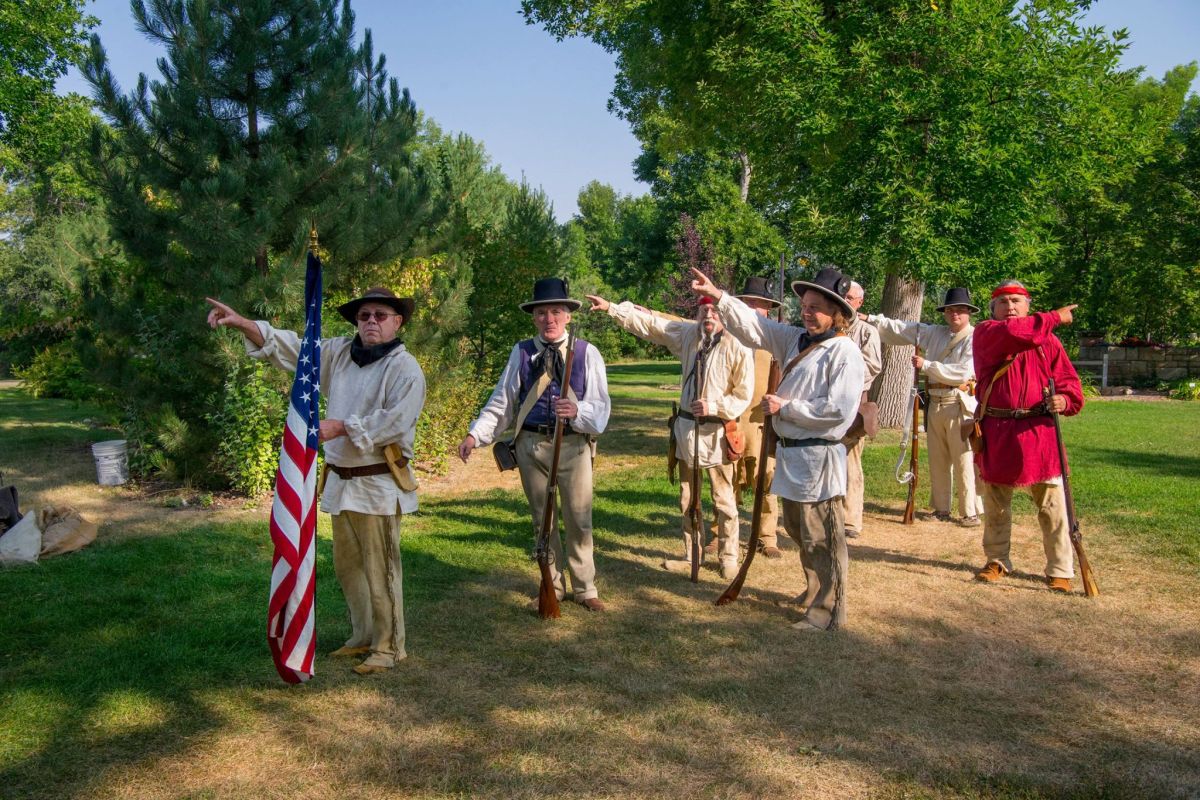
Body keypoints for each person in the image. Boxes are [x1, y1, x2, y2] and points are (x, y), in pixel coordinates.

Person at [206, 287, 426, 675]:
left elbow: (395, 422)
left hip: (377, 484)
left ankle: (390, 647)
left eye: (380, 315)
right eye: (364, 316)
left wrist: (340, 426)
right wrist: (244, 323)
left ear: (397, 321)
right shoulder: (340, 352)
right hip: (341, 482)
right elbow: (292, 349)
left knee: (382, 569)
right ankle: (363, 635)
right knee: (349, 567)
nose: (371, 321)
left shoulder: (404, 368)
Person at [691, 267, 865, 632]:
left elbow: (839, 411)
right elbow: (756, 327)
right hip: (791, 457)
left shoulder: (845, 352)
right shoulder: (794, 339)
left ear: (836, 313)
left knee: (823, 538)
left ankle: (828, 612)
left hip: (819, 457)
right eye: (805, 304)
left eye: (816, 307)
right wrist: (720, 297)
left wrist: (787, 407)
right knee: (801, 533)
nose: (807, 311)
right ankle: (815, 591)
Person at [458, 278, 611, 611]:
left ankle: (585, 588)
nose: (549, 319)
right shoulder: (522, 352)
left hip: (573, 445)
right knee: (543, 519)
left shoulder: (587, 353)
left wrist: (577, 410)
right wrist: (476, 435)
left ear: (568, 315)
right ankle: (552, 585)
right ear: (534, 317)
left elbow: (601, 409)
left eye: (556, 311)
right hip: (530, 444)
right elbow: (503, 402)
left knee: (579, 517)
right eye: (542, 313)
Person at [587, 290, 753, 580]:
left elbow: (743, 394)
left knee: (724, 499)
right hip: (687, 431)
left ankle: (729, 557)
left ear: (724, 314)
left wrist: (715, 406)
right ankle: (693, 556)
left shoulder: (738, 346)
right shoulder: (689, 334)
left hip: (717, 432)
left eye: (715, 311)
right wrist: (612, 308)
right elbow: (653, 326)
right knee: (688, 499)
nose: (709, 316)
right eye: (704, 312)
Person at [971, 280, 1083, 592]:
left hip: (1039, 432)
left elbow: (1070, 383)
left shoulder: (1049, 342)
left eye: (1017, 301)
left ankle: (1060, 568)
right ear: (993, 309)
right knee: (996, 504)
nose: (1010, 307)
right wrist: (1055, 317)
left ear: (1028, 306)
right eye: (1004, 302)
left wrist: (1064, 400)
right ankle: (997, 560)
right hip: (998, 430)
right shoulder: (987, 332)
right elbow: (1016, 334)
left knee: (1052, 506)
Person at [863, 287, 983, 526]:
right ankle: (941, 508)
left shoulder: (974, 337)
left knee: (963, 459)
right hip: (934, 402)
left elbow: (962, 372)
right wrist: (870, 319)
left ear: (969, 312)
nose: (954, 315)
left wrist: (927, 365)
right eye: (950, 310)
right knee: (938, 459)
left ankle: (970, 511)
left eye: (960, 310)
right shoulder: (935, 333)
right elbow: (902, 328)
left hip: (958, 403)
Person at [732, 276, 785, 558]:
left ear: (769, 310)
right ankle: (721, 534)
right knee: (729, 478)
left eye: (761, 305)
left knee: (767, 478)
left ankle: (767, 536)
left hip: (762, 421)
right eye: (749, 303)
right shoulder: (728, 336)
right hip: (733, 418)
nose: (755, 309)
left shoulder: (777, 339)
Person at [841, 282, 882, 539]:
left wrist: (841, 374)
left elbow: (872, 366)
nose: (845, 300)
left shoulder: (867, 332)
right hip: (826, 402)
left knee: (850, 462)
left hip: (855, 401)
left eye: (850, 297)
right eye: (842, 296)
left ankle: (850, 520)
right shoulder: (832, 327)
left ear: (859, 302)